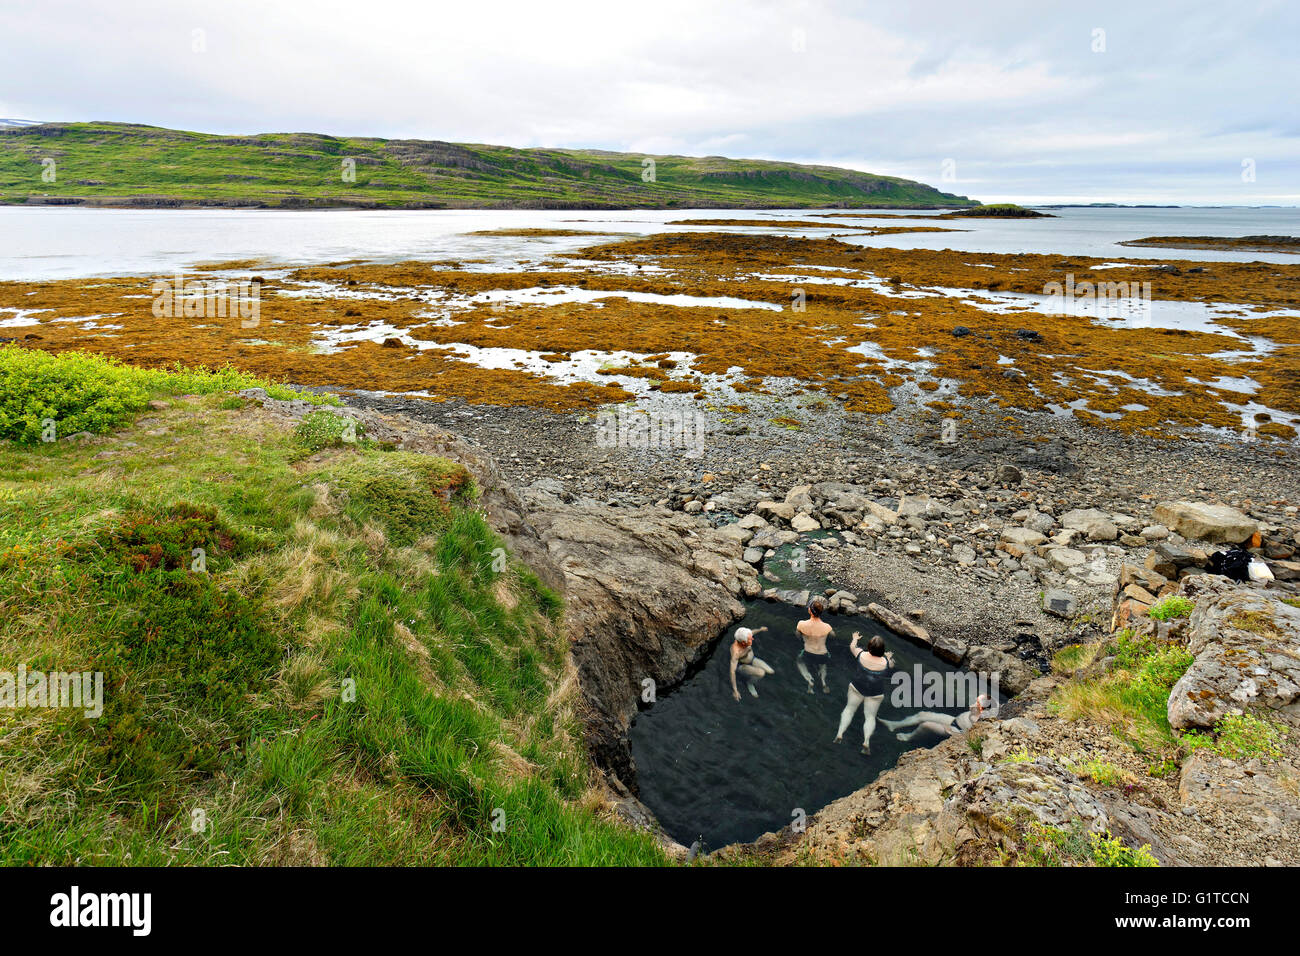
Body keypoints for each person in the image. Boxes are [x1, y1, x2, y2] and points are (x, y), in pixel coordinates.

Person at [834, 631, 893, 754]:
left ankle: (840, 733)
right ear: (882, 650)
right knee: (870, 717)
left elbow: (852, 647)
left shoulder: (861, 654)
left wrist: (855, 638)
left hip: (857, 687)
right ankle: (866, 741)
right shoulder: (886, 662)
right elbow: (891, 666)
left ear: (869, 647)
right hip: (875, 693)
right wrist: (888, 657)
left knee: (849, 709)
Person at [881, 694, 998, 741]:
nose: (972, 705)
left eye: (976, 705)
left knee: (925, 725)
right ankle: (895, 725)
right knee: (923, 715)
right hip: (954, 720)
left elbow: (969, 738)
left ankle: (909, 737)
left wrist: (951, 731)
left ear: (982, 711)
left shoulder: (982, 722)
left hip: (955, 730)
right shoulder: (987, 708)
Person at [795, 598, 834, 694]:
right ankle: (823, 681)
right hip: (823, 654)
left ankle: (809, 679)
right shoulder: (827, 627)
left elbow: (798, 636)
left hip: (808, 653)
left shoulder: (801, 624)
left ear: (809, 610)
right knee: (823, 665)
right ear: (821, 612)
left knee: (799, 661)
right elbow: (833, 636)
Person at [729, 626, 774, 702]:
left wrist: (760, 629)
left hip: (752, 659)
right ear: (743, 641)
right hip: (742, 666)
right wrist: (735, 690)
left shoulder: (744, 637)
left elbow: (752, 632)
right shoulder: (736, 652)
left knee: (771, 671)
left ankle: (752, 676)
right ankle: (750, 683)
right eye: (749, 639)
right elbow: (732, 672)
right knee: (761, 673)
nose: (752, 639)